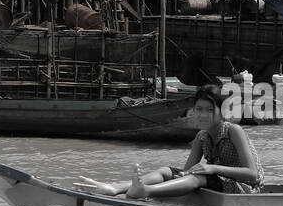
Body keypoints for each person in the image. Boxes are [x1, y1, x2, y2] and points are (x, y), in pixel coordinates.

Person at [75, 85, 264, 199]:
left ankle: (146, 192)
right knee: (167, 171)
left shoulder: (233, 130)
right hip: (219, 187)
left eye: (209, 110)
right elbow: (186, 174)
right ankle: (115, 188)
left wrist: (213, 168)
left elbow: (253, 175)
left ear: (221, 112)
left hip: (244, 191)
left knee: (196, 178)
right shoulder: (202, 137)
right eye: (199, 109)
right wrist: (176, 176)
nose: (202, 115)